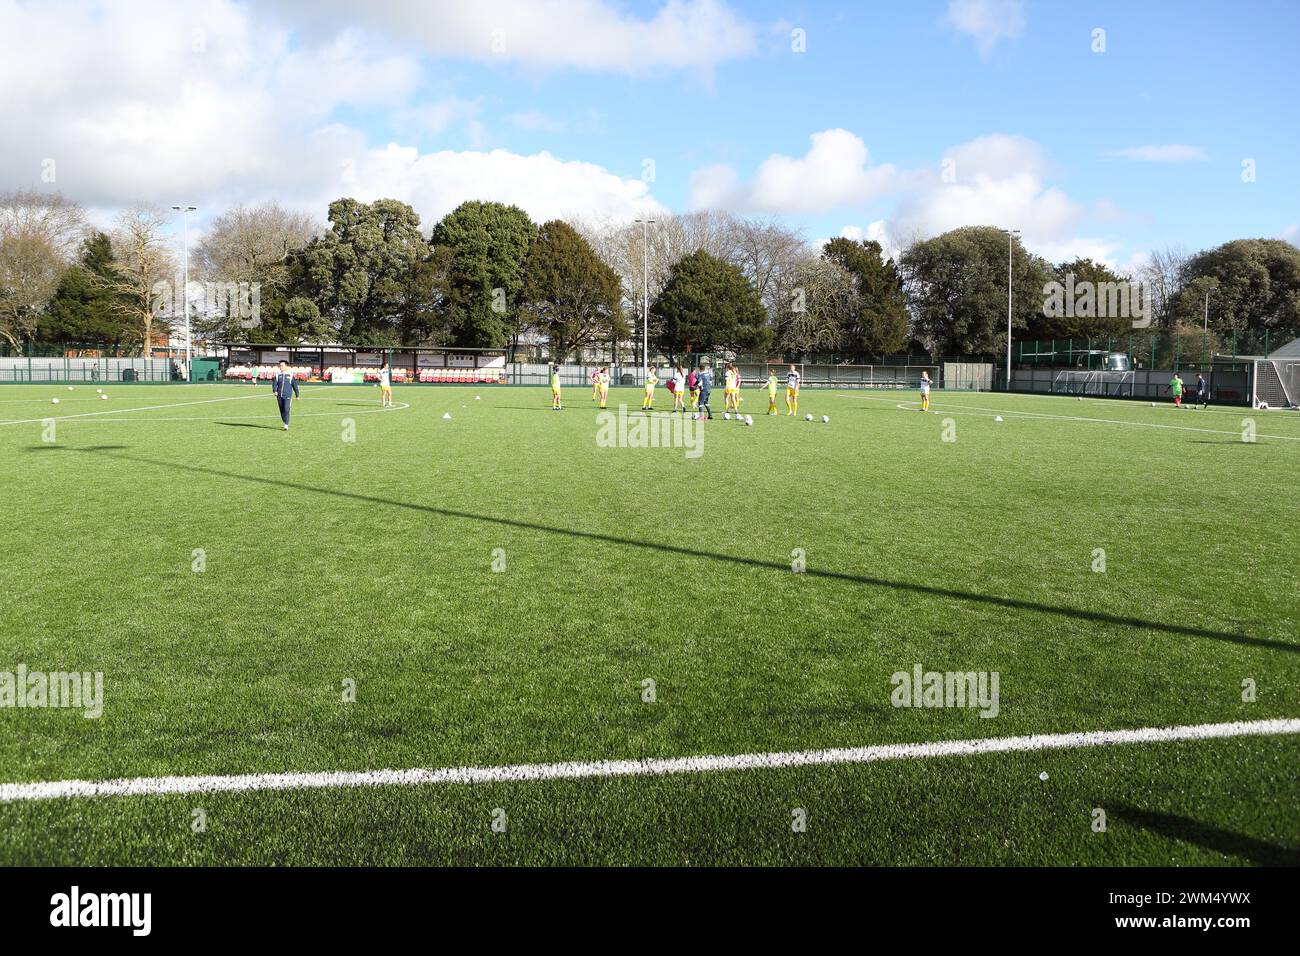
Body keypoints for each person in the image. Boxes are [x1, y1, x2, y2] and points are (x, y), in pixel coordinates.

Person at [271, 359, 299, 430]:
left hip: (288, 396)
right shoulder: (277, 375)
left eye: (282, 365)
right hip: (279, 396)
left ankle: (286, 424)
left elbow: (294, 385)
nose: (280, 367)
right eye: (280, 365)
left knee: (286, 409)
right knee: (282, 410)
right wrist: (275, 391)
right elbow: (274, 384)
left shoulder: (290, 375)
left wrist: (297, 395)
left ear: (286, 366)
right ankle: (285, 420)